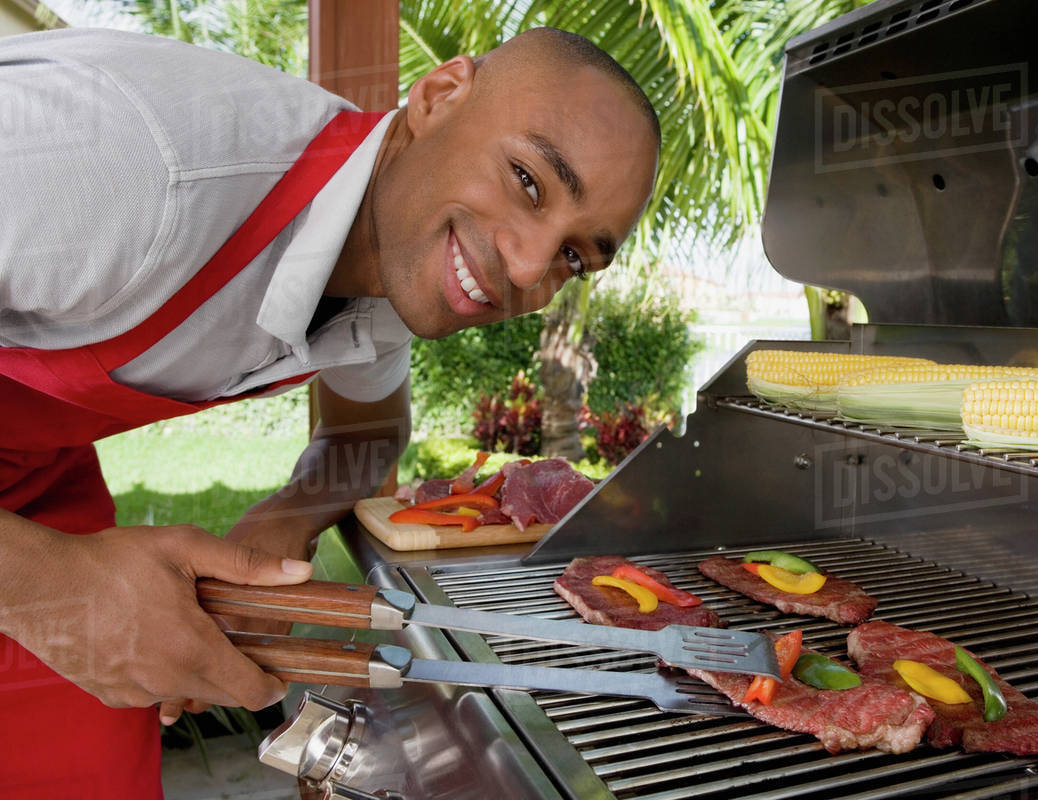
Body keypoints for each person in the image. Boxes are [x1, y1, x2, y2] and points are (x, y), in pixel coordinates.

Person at [0, 24, 659, 799]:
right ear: (439, 95)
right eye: (527, 180)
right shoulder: (124, 160)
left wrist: (283, 523)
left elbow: (366, 430)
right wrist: (49, 585)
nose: (527, 266)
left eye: (575, 256)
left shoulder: (387, 246)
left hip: (39, 494)